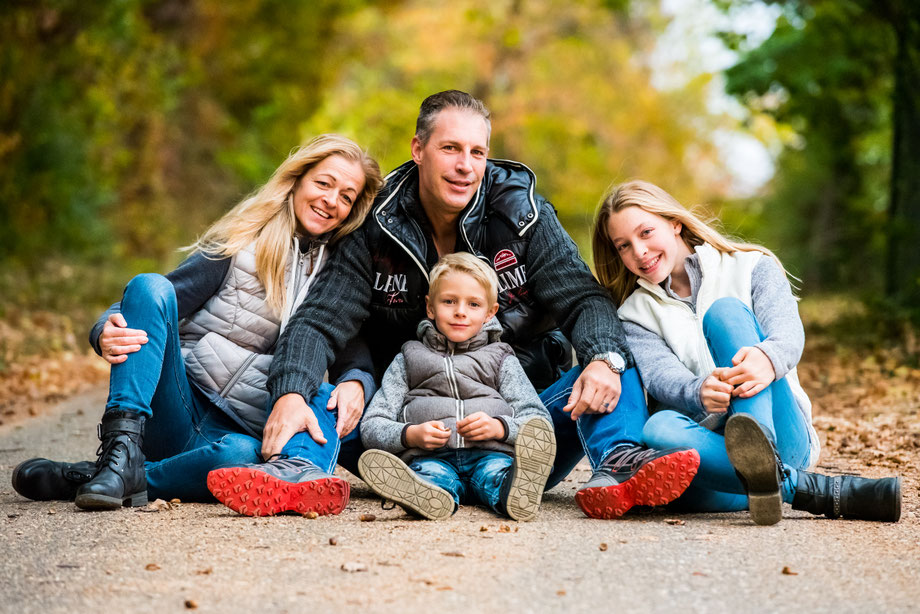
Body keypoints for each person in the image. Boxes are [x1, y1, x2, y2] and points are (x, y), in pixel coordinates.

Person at [247, 90, 700, 520]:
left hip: (520, 429)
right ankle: (296, 470)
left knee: (615, 359)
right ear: (418, 149)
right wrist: (289, 393)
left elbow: (584, 298)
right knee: (325, 394)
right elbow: (318, 320)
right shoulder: (376, 224)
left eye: (477, 152)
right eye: (450, 149)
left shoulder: (521, 214)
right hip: (411, 428)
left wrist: (603, 359)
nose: (465, 166)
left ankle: (618, 466)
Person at [12, 135, 383, 517]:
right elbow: (156, 298)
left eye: (346, 196)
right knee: (148, 284)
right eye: (324, 184)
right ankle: (120, 446)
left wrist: (358, 380)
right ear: (297, 180)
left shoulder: (339, 276)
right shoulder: (240, 244)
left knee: (239, 456)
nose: (331, 200)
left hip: (234, 432)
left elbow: (351, 351)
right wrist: (104, 327)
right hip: (175, 404)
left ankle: (113, 475)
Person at [592, 179, 901, 525]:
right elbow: (662, 377)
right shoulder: (634, 313)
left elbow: (788, 334)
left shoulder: (751, 265)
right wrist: (699, 391)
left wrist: (766, 360)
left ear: (674, 223)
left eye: (646, 232)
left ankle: (761, 445)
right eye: (623, 246)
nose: (639, 251)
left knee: (725, 312)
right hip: (712, 461)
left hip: (785, 437)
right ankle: (786, 483)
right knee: (658, 428)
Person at [358, 253, 556, 521]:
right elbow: (372, 424)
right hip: (431, 457)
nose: (460, 311)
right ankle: (425, 496)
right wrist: (411, 434)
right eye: (449, 301)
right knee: (432, 477)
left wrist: (500, 427)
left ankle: (516, 491)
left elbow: (538, 420)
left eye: (473, 304)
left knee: (495, 475)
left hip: (491, 453)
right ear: (430, 308)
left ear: (490, 313)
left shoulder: (500, 358)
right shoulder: (409, 358)